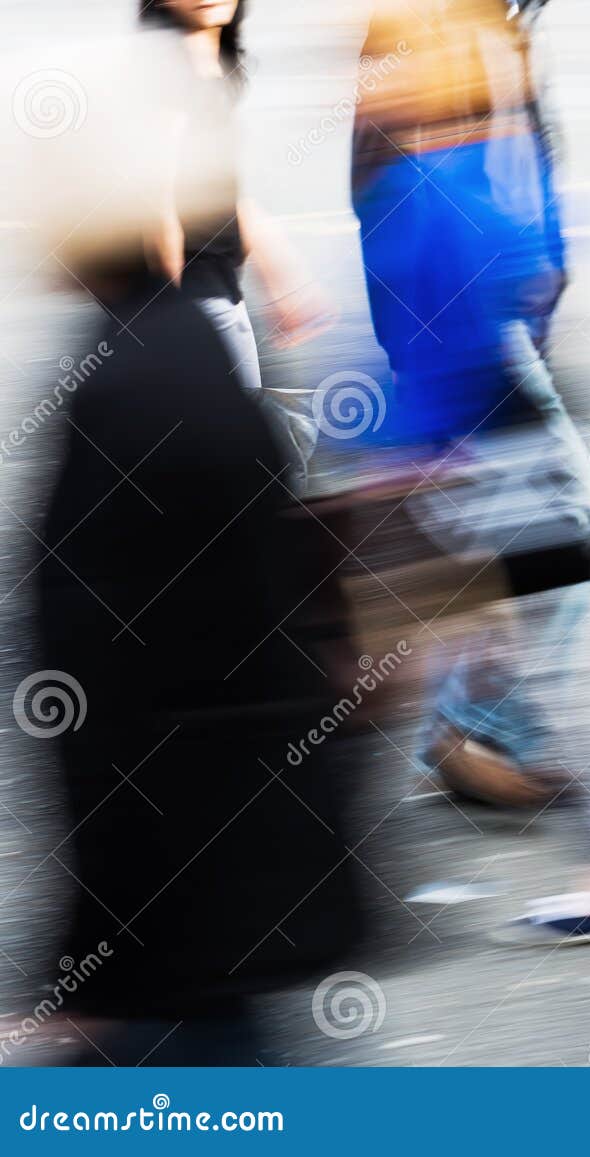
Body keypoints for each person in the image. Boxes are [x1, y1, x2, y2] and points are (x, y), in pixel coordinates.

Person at [27, 43, 362, 1063]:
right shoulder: (170, 362)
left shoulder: (130, 384)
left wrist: (95, 962)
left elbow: (113, 702)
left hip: (185, 930)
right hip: (227, 909)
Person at [351, 0, 590, 942]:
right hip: (498, 459)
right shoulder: (467, 171)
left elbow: (447, 349)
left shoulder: (433, 188)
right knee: (507, 667)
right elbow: (534, 274)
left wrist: (394, 466)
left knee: (477, 667)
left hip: (484, 468)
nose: (378, 83)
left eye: (394, 64)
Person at [138, 0, 333, 481]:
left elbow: (217, 191)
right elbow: (156, 201)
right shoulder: (168, 70)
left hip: (219, 289)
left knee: (234, 463)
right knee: (240, 470)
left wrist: (278, 264)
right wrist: (174, 320)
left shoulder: (213, 65)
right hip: (198, 297)